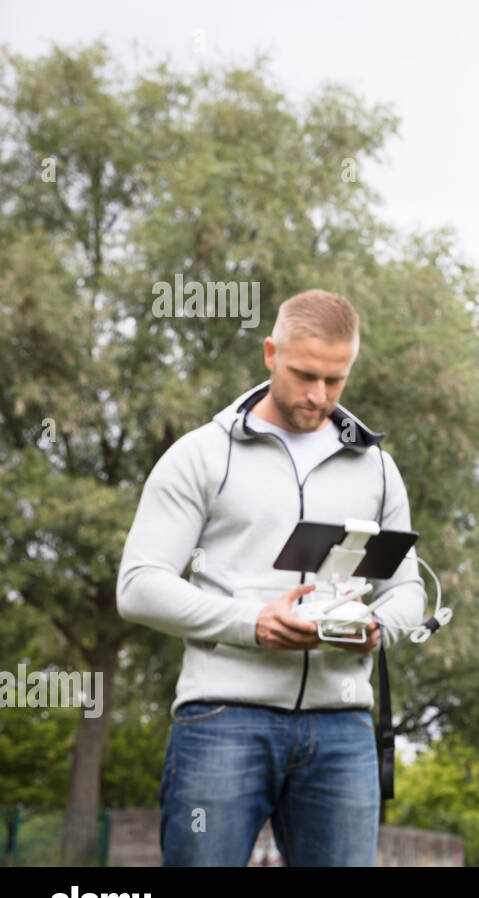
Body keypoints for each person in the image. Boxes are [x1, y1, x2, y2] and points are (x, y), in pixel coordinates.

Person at [115, 289, 426, 866]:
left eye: (336, 379)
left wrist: (379, 625)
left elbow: (407, 588)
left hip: (343, 727)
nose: (319, 396)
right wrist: (250, 623)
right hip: (224, 720)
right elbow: (138, 584)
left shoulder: (378, 468)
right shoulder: (202, 456)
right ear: (269, 353)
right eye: (305, 374)